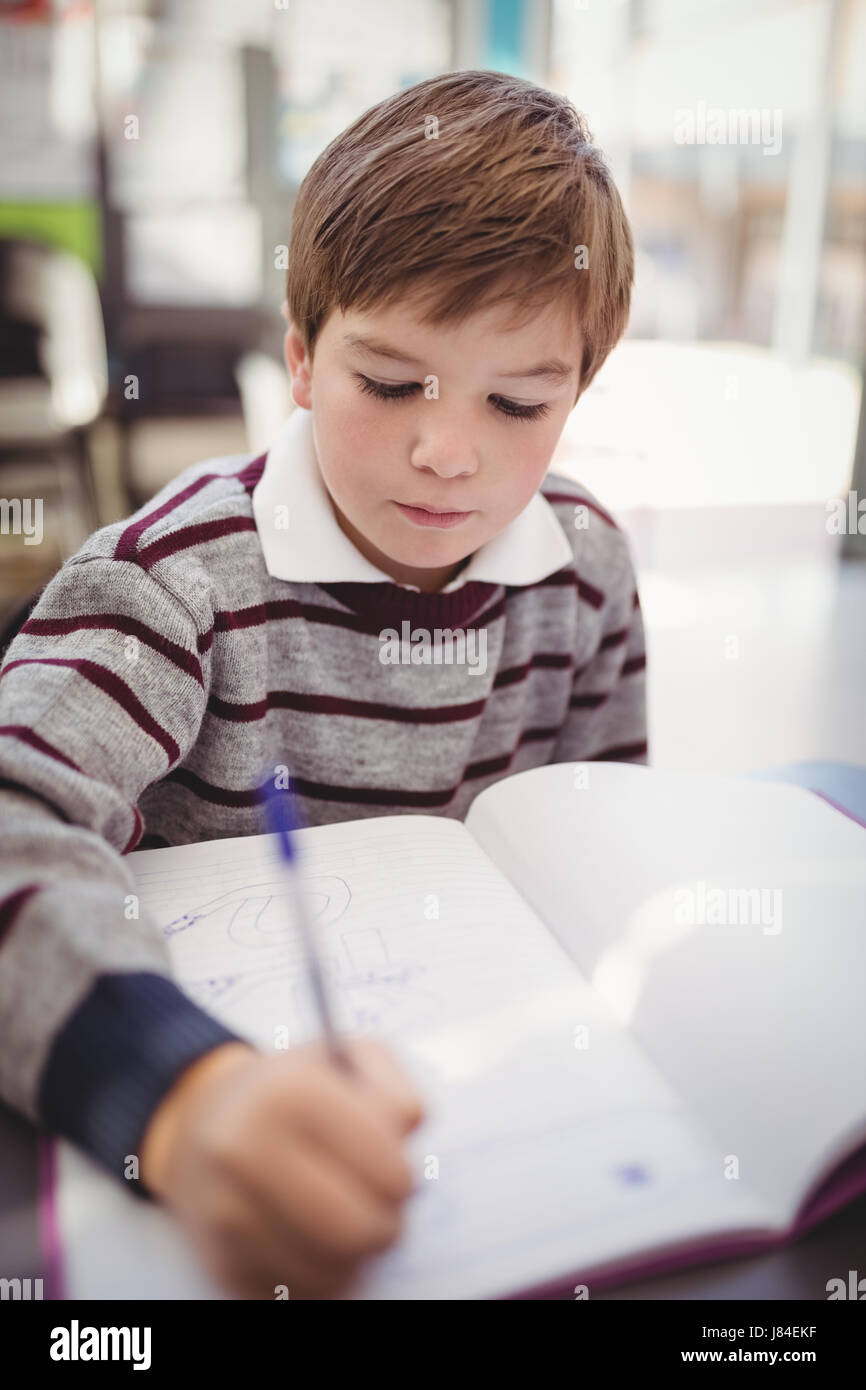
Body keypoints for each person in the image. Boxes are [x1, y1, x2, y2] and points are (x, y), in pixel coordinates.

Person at [0, 70, 646, 1299]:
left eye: (517, 401)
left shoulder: (588, 570)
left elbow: (599, 858)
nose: (446, 450)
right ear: (299, 358)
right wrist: (179, 1097)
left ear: (577, 393)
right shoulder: (173, 581)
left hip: (503, 1125)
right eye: (391, 381)